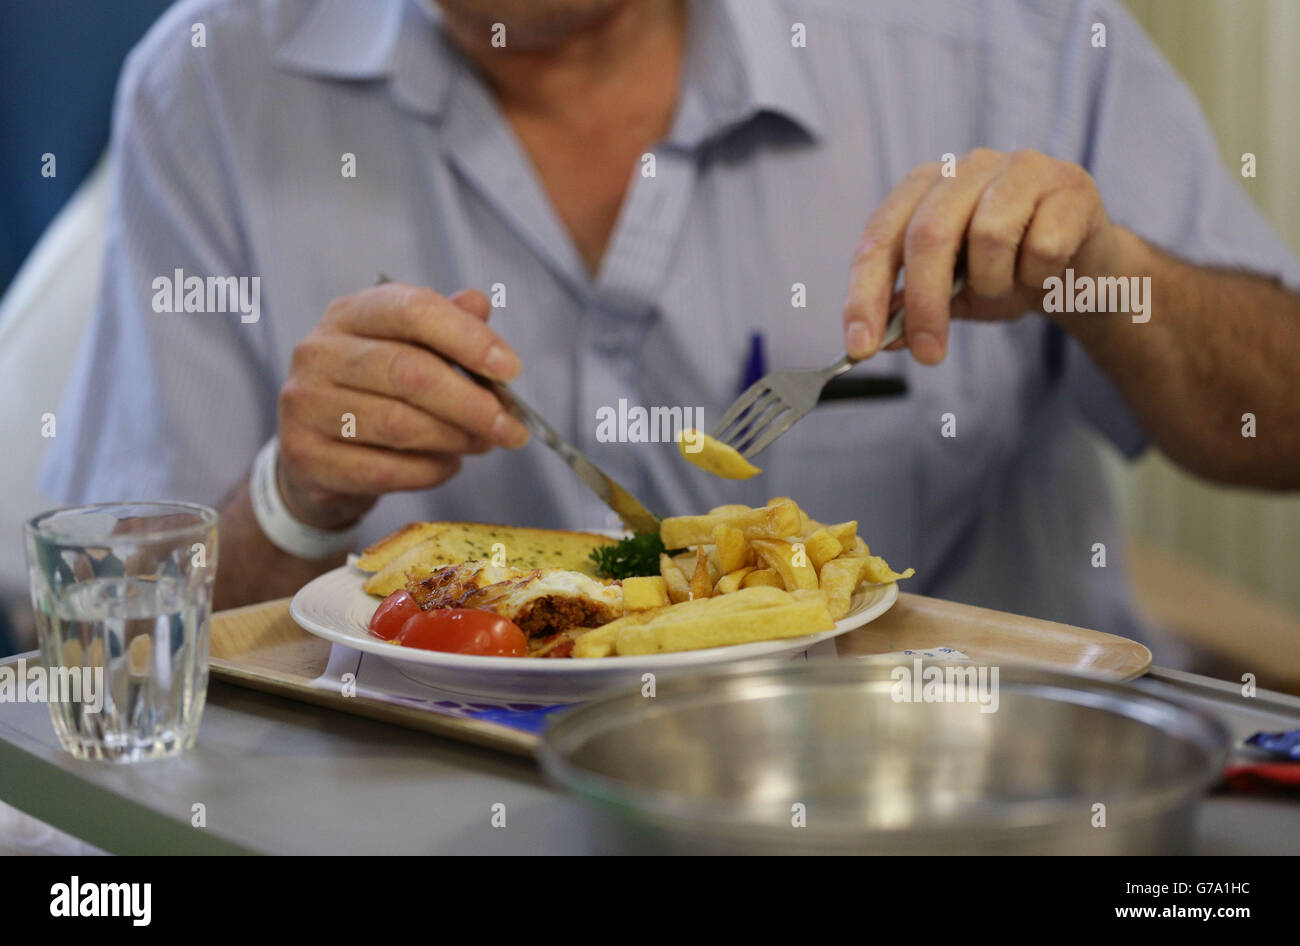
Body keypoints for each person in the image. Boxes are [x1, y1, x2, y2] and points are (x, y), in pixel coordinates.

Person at [42, 0, 1300, 644]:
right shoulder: (210, 86)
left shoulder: (996, 36)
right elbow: (113, 630)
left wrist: (1112, 278)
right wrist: (290, 497)